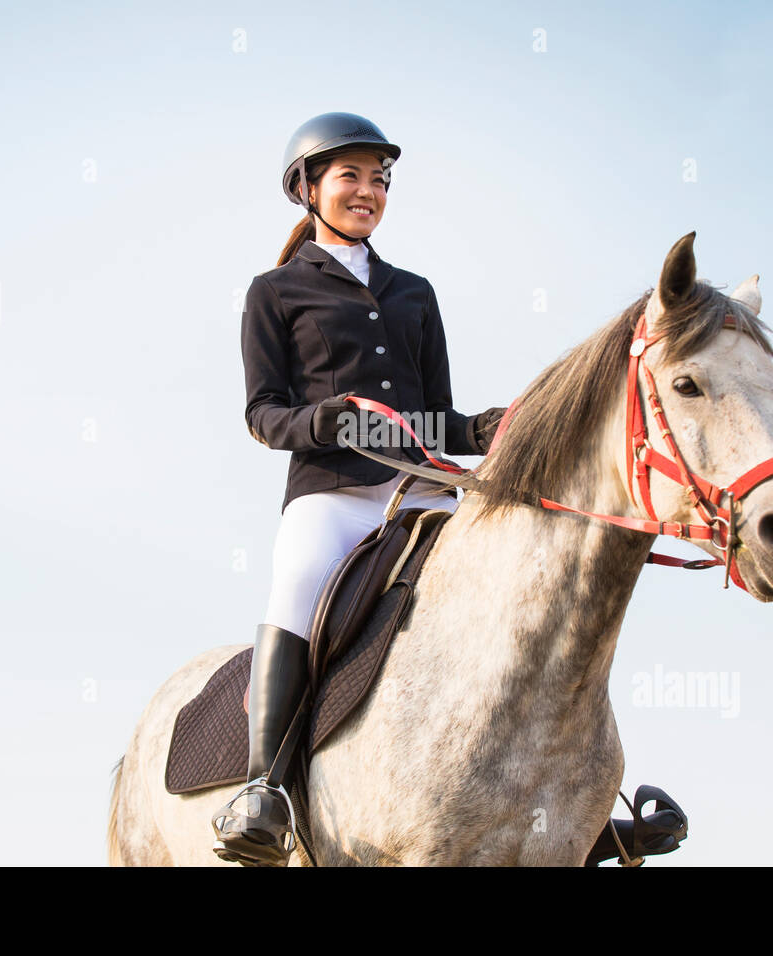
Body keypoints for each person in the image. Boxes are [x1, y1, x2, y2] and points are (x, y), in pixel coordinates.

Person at [210, 112, 507, 866]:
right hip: (332, 494)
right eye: (351, 177)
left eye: (380, 180)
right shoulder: (275, 291)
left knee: (515, 583)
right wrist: (329, 420)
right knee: (299, 583)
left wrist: (488, 429)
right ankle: (264, 790)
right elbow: (261, 416)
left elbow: (437, 416)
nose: (368, 191)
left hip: (422, 489)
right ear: (308, 188)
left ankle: (580, 793)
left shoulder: (416, 292)